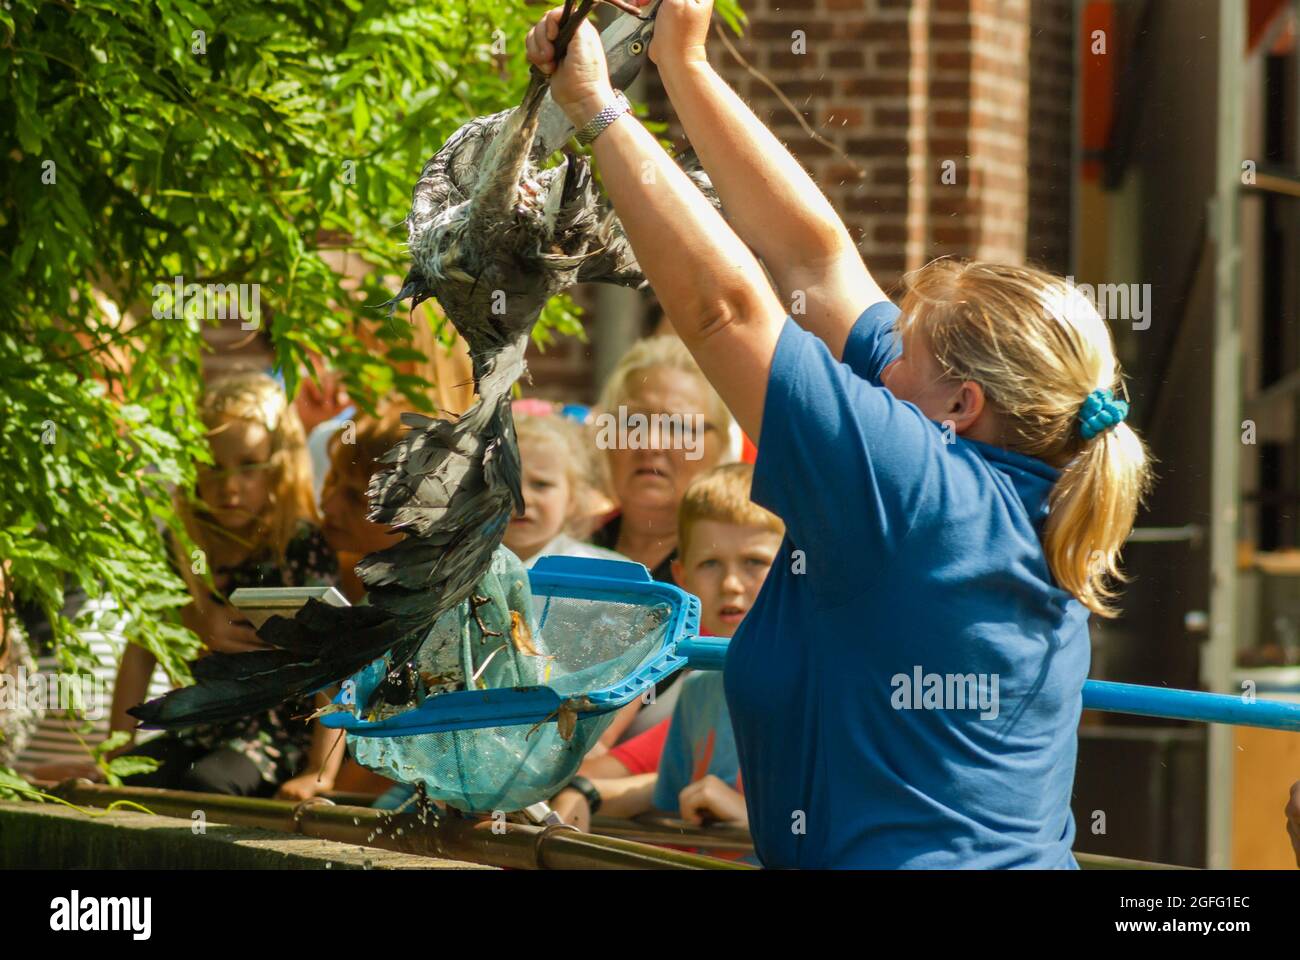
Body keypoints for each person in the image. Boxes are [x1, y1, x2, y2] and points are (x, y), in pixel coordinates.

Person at [528, 0, 1151, 867]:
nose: (876, 362)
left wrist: (597, 110)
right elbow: (818, 265)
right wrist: (684, 63)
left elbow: (724, 311)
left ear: (960, 406)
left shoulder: (917, 486)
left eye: (904, 354)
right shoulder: (1009, 478)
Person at [108, 371, 341, 797]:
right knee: (124, 781)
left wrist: (320, 772)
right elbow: (142, 647)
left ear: (279, 465)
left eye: (249, 465)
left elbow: (335, 664)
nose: (228, 486)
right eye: (211, 467)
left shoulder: (297, 546)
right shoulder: (183, 543)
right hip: (201, 726)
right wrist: (115, 749)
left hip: (275, 733)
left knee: (207, 784)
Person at [552, 464, 781, 864]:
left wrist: (752, 821)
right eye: (710, 564)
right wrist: (583, 792)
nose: (731, 584)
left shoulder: (825, 691)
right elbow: (670, 795)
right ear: (682, 577)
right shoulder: (700, 691)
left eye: (755, 562)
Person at [504, 409, 625, 567]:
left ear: (572, 499)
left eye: (541, 484)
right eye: (505, 484)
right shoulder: (464, 567)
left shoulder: (604, 570)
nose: (523, 499)